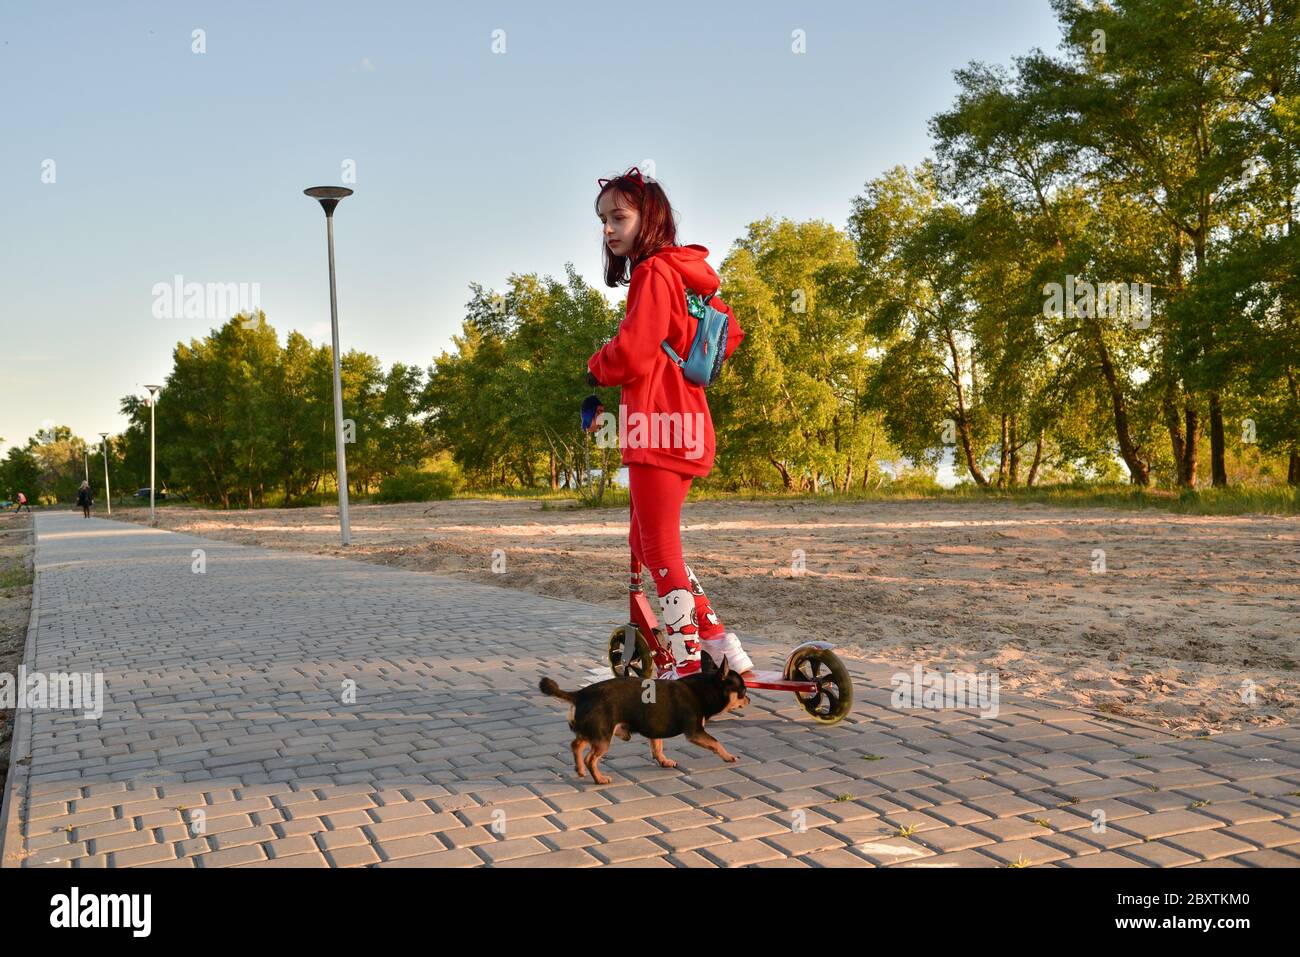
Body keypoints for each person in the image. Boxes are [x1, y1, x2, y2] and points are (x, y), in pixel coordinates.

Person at [587, 165, 752, 679]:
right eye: (603, 220)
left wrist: (597, 363)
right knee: (649, 542)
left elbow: (633, 353)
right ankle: (720, 646)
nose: (609, 229)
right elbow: (732, 334)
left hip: (657, 425)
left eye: (619, 217)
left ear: (648, 217)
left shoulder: (654, 272)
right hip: (686, 423)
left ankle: (684, 663)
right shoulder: (685, 275)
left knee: (657, 544)